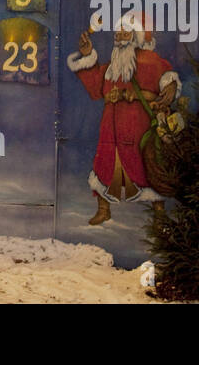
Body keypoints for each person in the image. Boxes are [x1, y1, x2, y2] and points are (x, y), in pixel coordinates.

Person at [66, 14, 180, 226]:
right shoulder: (112, 66)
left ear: (135, 36)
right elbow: (95, 88)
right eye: (117, 32)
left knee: (148, 166)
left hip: (138, 126)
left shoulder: (149, 60)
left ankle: (159, 213)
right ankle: (103, 209)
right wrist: (88, 54)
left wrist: (170, 84)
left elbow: (166, 75)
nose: (119, 36)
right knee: (104, 164)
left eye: (124, 32)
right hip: (111, 128)